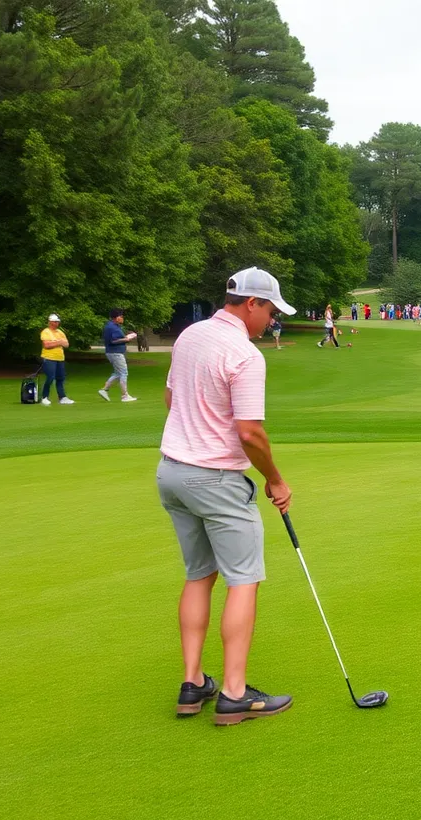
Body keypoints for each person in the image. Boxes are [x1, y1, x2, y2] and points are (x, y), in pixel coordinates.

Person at [158, 267, 295, 725]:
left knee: (199, 574)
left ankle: (192, 683)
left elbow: (170, 398)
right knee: (243, 579)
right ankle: (235, 694)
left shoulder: (190, 335)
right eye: (271, 311)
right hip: (217, 479)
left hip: (172, 472)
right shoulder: (245, 354)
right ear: (252, 303)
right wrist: (275, 479)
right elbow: (251, 433)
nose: (272, 320)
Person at [98, 308, 139, 402]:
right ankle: (125, 396)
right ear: (116, 318)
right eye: (121, 316)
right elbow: (113, 341)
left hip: (114, 352)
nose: (122, 318)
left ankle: (104, 390)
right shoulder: (112, 327)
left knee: (118, 373)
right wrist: (127, 339)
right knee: (124, 373)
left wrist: (127, 337)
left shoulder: (114, 326)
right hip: (115, 353)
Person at [40, 314, 74, 405]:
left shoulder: (60, 332)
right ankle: (44, 397)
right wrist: (59, 342)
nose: (57, 323)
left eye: (58, 322)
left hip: (60, 358)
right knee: (50, 377)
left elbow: (66, 344)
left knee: (60, 378)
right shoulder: (46, 332)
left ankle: (62, 397)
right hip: (49, 358)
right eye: (55, 322)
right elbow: (46, 345)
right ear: (50, 322)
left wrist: (55, 343)